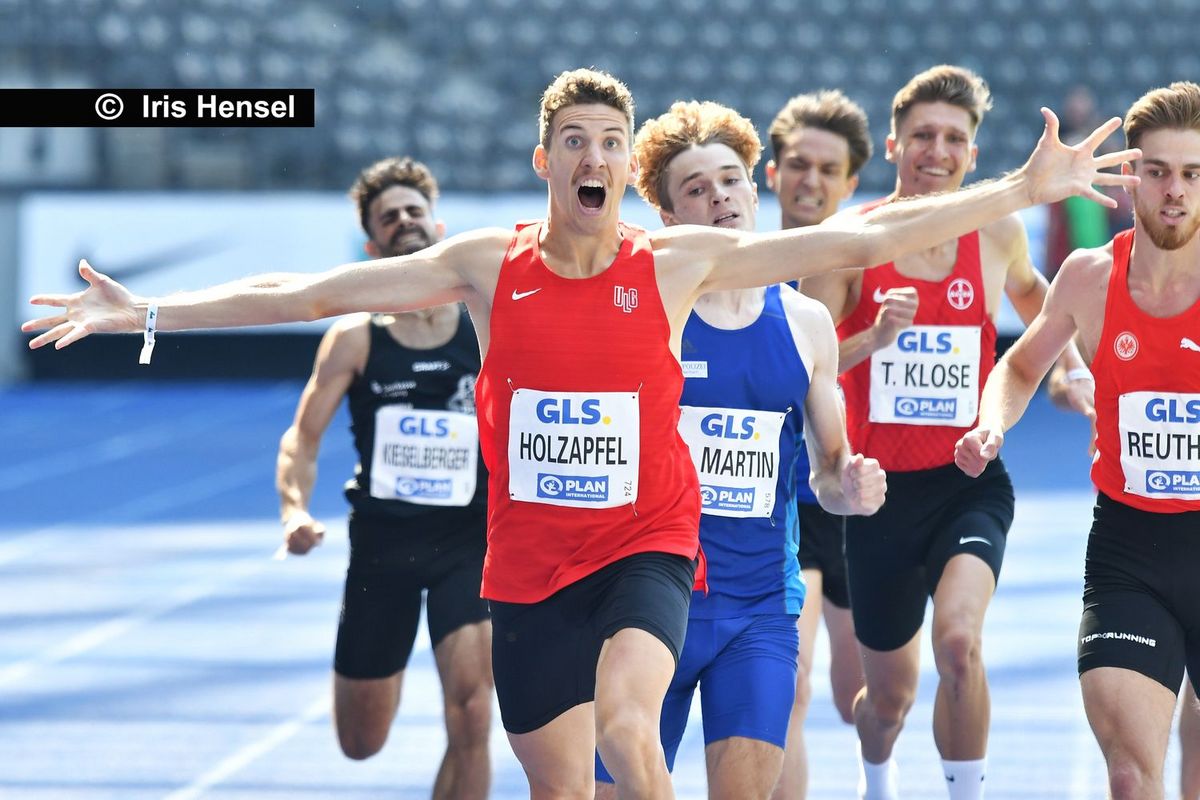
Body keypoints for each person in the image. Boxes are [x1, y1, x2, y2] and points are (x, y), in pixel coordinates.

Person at [23, 68, 1137, 800]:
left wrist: (1010, 191)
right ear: (548, 163)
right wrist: (155, 310)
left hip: (652, 548)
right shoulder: (484, 269)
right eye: (575, 140)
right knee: (561, 782)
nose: (595, 154)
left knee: (627, 722)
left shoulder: (673, 264)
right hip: (528, 567)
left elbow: (876, 225)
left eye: (612, 136)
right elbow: (308, 288)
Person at [800, 65, 1093, 800]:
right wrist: (872, 333)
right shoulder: (851, 241)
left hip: (968, 481)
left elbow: (1039, 297)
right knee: (886, 703)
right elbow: (802, 365)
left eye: (955, 139)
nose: (938, 150)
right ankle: (878, 774)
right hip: (877, 498)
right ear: (894, 145)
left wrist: (1066, 370)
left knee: (960, 643)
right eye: (923, 136)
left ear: (973, 152)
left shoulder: (994, 229)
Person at [593, 100, 886, 800]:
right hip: (647, 605)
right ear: (669, 219)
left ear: (755, 191)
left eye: (730, 179)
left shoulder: (808, 323)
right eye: (696, 188)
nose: (719, 195)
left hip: (757, 610)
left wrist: (852, 486)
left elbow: (827, 468)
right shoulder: (646, 316)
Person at [955, 80, 1200, 800]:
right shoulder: (1091, 278)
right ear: (1132, 176)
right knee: (1130, 776)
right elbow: (1022, 364)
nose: (1174, 191)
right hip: (1131, 549)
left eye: (1193, 173)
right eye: (1157, 171)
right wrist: (991, 422)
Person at [274, 157, 492, 797]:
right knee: (360, 741)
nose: (404, 223)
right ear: (372, 245)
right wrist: (294, 509)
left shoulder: (484, 325)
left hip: (470, 541)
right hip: (383, 546)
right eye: (388, 217)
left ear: (438, 226)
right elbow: (302, 439)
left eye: (414, 212)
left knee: (474, 712)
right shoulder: (354, 339)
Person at [763, 90, 873, 800]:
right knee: (789, 688)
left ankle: (881, 776)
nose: (810, 180)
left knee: (861, 696)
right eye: (797, 164)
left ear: (851, 183)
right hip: (777, 506)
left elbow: (822, 368)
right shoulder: (734, 261)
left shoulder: (872, 259)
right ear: (770, 172)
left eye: (827, 169)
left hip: (851, 493)